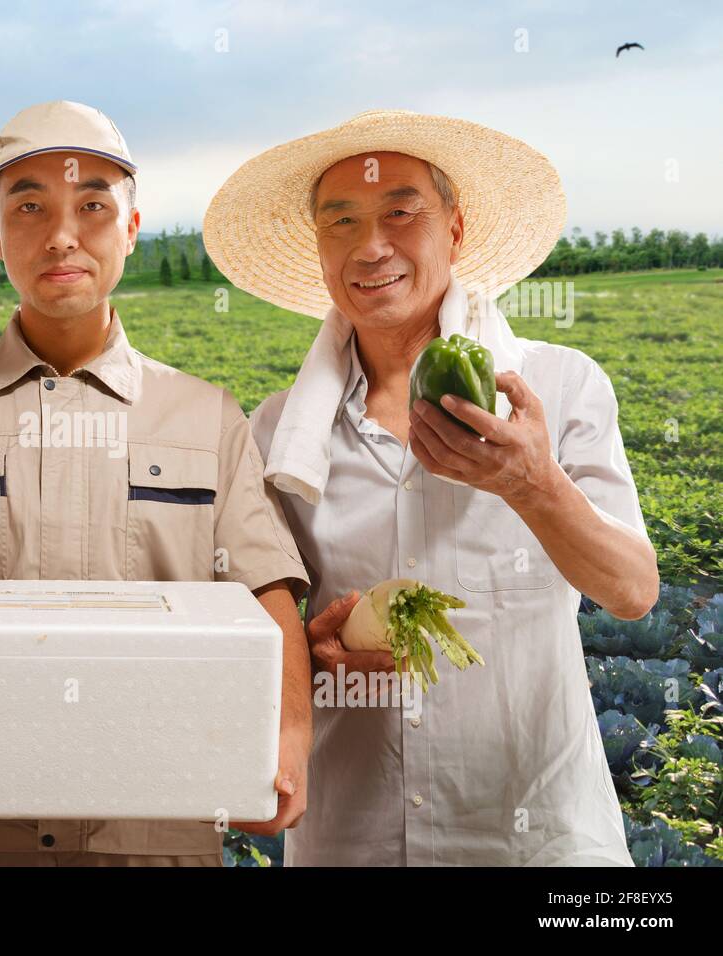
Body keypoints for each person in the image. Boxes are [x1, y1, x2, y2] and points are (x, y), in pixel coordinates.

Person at [0, 100, 313, 867]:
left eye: (92, 206)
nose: (62, 235)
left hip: (164, 830)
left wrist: (288, 738)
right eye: (31, 206)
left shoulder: (207, 418)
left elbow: (266, 589)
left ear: (133, 229)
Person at [203, 109, 659, 866]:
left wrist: (532, 482)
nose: (370, 245)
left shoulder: (560, 387)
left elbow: (633, 590)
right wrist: (310, 655)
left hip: (535, 837)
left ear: (455, 228)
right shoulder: (278, 433)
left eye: (401, 212)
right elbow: (258, 623)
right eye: (340, 221)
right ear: (319, 250)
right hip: (354, 838)